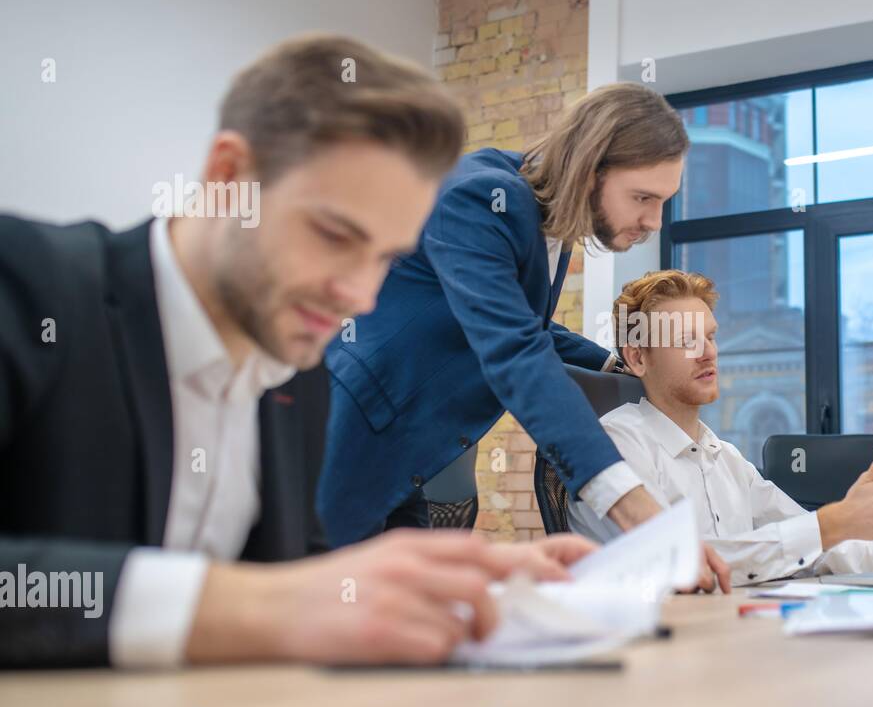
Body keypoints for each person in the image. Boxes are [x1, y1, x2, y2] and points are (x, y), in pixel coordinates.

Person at [0, 33, 592, 669]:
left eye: (386, 259)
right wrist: (254, 606)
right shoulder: (31, 286)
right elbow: (274, 603)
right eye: (336, 235)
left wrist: (454, 586)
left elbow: (297, 585)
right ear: (229, 177)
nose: (360, 297)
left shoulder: (297, 376)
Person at [318, 83, 730, 591]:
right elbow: (515, 349)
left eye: (663, 201)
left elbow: (523, 324)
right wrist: (637, 509)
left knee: (397, 625)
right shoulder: (480, 198)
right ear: (588, 166)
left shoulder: (542, 216)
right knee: (313, 624)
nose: (652, 221)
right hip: (351, 437)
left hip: (414, 452)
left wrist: (605, 363)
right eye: (642, 198)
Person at [566, 271, 873, 585]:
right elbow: (690, 563)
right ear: (638, 358)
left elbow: (807, 543)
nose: (708, 352)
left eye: (710, 337)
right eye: (686, 340)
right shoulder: (613, 445)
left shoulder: (722, 455)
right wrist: (833, 522)